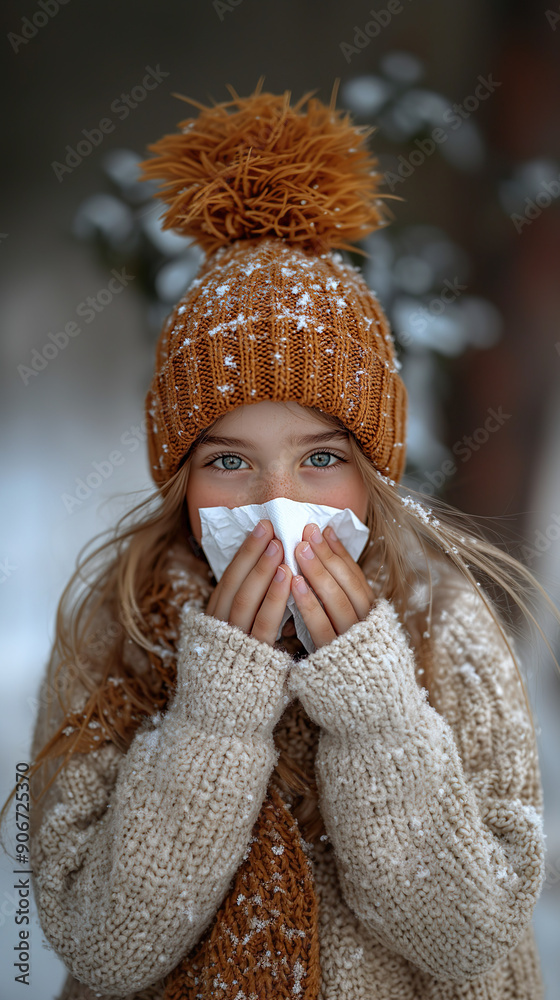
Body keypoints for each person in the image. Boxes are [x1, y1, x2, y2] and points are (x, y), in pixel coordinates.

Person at [4, 80, 559, 1000]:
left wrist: (378, 711)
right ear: (179, 475)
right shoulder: (118, 633)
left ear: (374, 471)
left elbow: (473, 938)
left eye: (320, 459)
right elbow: (102, 943)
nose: (275, 503)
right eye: (229, 462)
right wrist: (215, 712)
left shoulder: (446, 626)